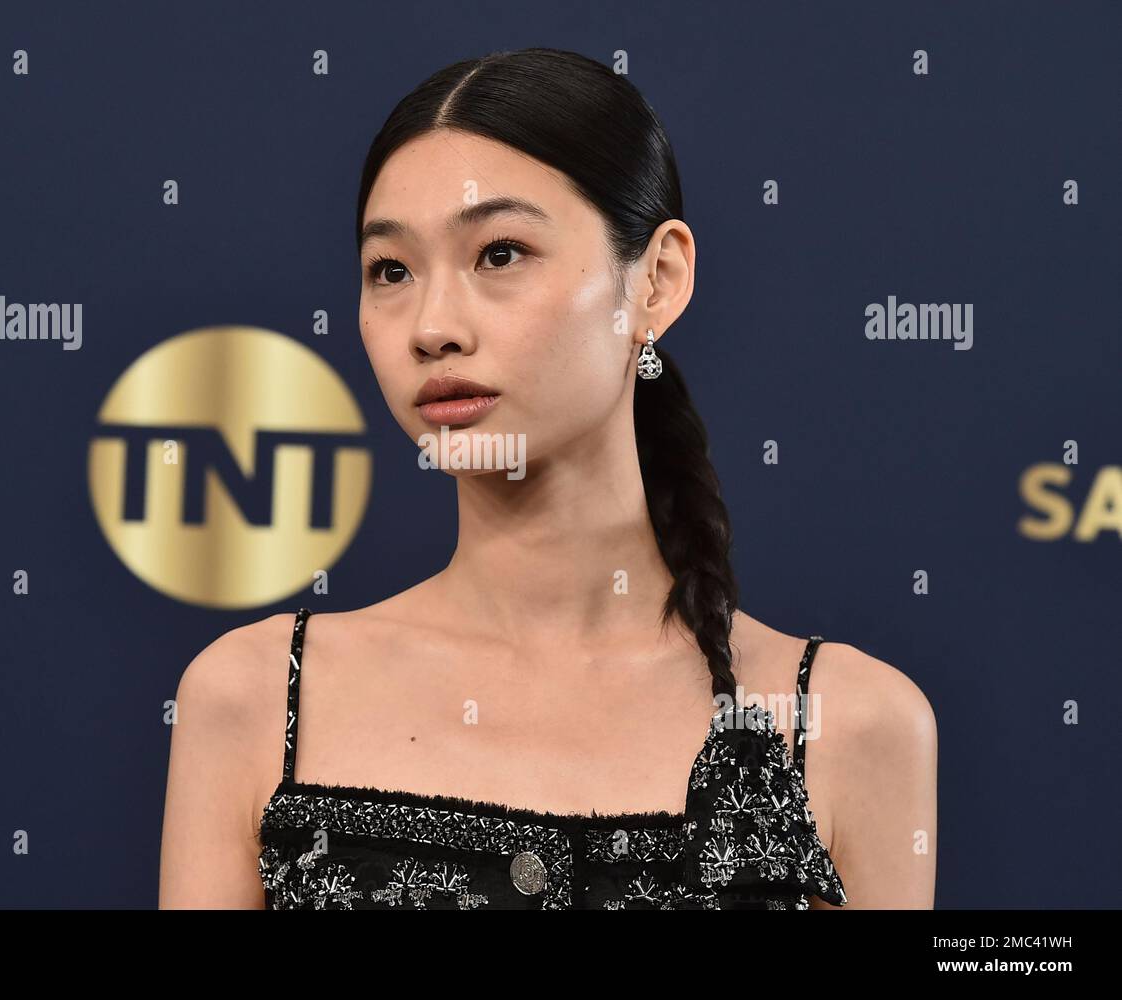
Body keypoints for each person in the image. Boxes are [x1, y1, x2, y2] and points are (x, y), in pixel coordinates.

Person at [159, 47, 937, 910]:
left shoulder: (850, 723)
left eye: (499, 253)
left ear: (657, 281)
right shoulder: (254, 699)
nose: (433, 326)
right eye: (391, 270)